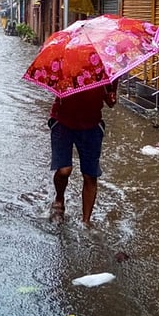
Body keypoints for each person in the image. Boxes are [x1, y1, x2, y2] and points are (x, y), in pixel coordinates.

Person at [48, 81, 118, 225]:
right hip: (62, 122)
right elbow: (55, 86)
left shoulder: (106, 66)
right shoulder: (65, 62)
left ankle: (86, 222)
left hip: (91, 125)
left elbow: (109, 99)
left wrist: (110, 98)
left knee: (90, 175)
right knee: (64, 170)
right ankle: (59, 200)